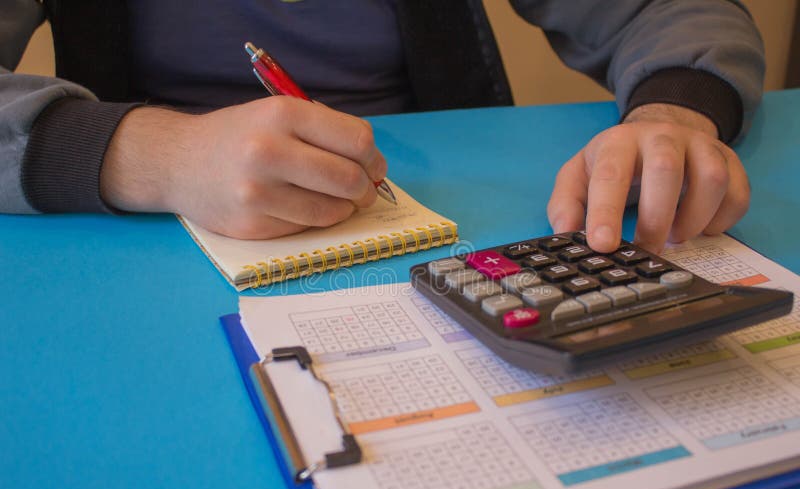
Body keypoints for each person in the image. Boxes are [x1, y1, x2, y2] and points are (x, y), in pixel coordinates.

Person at [0, 1, 763, 253]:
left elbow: (667, 10)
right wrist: (156, 156)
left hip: (440, 212)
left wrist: (673, 114)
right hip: (136, 239)